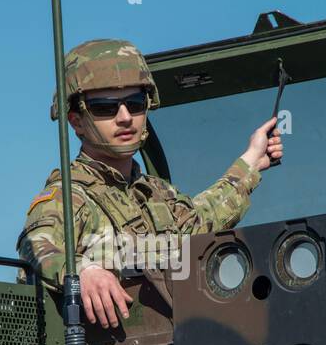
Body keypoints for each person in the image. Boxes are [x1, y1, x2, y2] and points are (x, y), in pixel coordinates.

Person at [17, 38, 282, 327]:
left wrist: (251, 163)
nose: (124, 117)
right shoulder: (67, 198)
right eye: (104, 108)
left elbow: (200, 223)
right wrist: (83, 271)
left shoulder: (157, 195)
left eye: (134, 104)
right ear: (77, 121)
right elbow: (36, 247)